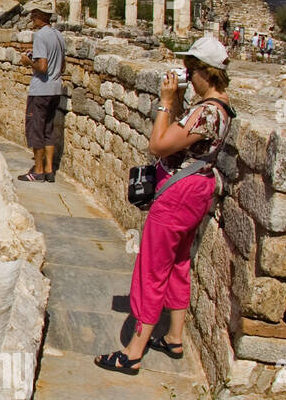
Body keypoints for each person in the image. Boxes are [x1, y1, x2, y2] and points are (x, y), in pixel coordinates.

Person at [96, 36, 235, 375]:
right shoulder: (223, 108)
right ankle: (173, 336)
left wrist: (164, 102)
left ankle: (133, 352)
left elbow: (158, 144)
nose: (187, 73)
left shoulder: (206, 113)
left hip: (177, 196)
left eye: (192, 68)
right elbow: (180, 137)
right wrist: (177, 105)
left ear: (208, 73)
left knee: (152, 269)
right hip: (196, 190)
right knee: (178, 262)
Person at [18, 6, 65, 182]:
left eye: (33, 15)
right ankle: (49, 169)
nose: (31, 18)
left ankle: (37, 171)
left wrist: (28, 60)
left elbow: (42, 67)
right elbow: (62, 66)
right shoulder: (58, 35)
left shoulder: (40, 36)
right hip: (55, 89)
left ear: (39, 16)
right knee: (48, 129)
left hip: (40, 90)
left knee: (36, 129)